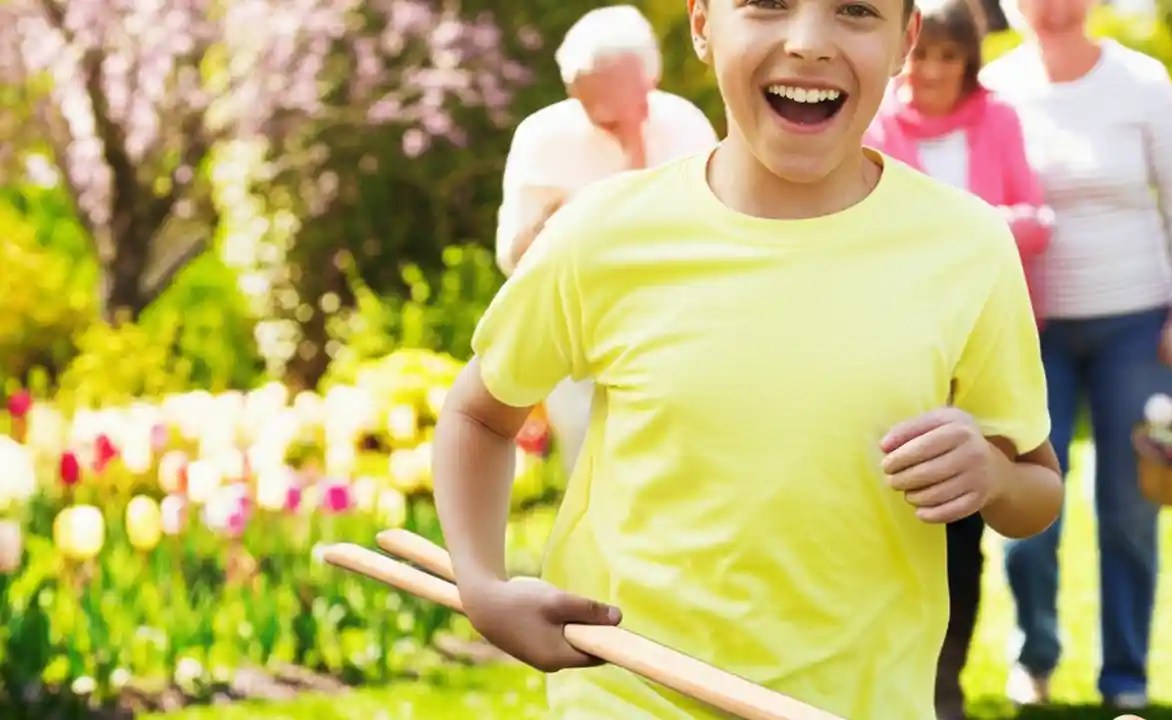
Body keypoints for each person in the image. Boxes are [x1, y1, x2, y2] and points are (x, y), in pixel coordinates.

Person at [434, 0, 1066, 717]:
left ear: (904, 41)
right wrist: (481, 585)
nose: (807, 44)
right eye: (767, 5)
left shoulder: (967, 246)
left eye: (855, 11)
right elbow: (480, 415)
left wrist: (991, 475)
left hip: (857, 702)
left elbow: (1037, 489)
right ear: (703, 25)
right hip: (627, 692)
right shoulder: (604, 233)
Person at [980, 0, 1172, 710]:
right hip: (1029, 330)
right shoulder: (997, 88)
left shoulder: (1141, 84)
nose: (1051, 9)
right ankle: (1036, 655)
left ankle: (1126, 679)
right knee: (1026, 508)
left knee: (1128, 511)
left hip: (1136, 325)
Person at [864, 1, 1052, 717]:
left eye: (950, 57)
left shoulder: (997, 118)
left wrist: (974, 229)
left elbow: (1034, 220)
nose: (934, 70)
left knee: (965, 525)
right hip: (903, 347)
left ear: (968, 61)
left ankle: (944, 683)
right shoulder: (876, 123)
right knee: (903, 516)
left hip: (986, 347)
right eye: (925, 55)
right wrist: (981, 227)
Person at [495, 5, 720, 477]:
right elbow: (510, 257)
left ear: (651, 82)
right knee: (590, 464)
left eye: (626, 111)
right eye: (594, 110)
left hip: (676, 331)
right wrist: (552, 226)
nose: (612, 126)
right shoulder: (542, 138)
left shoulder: (685, 126)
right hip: (578, 336)